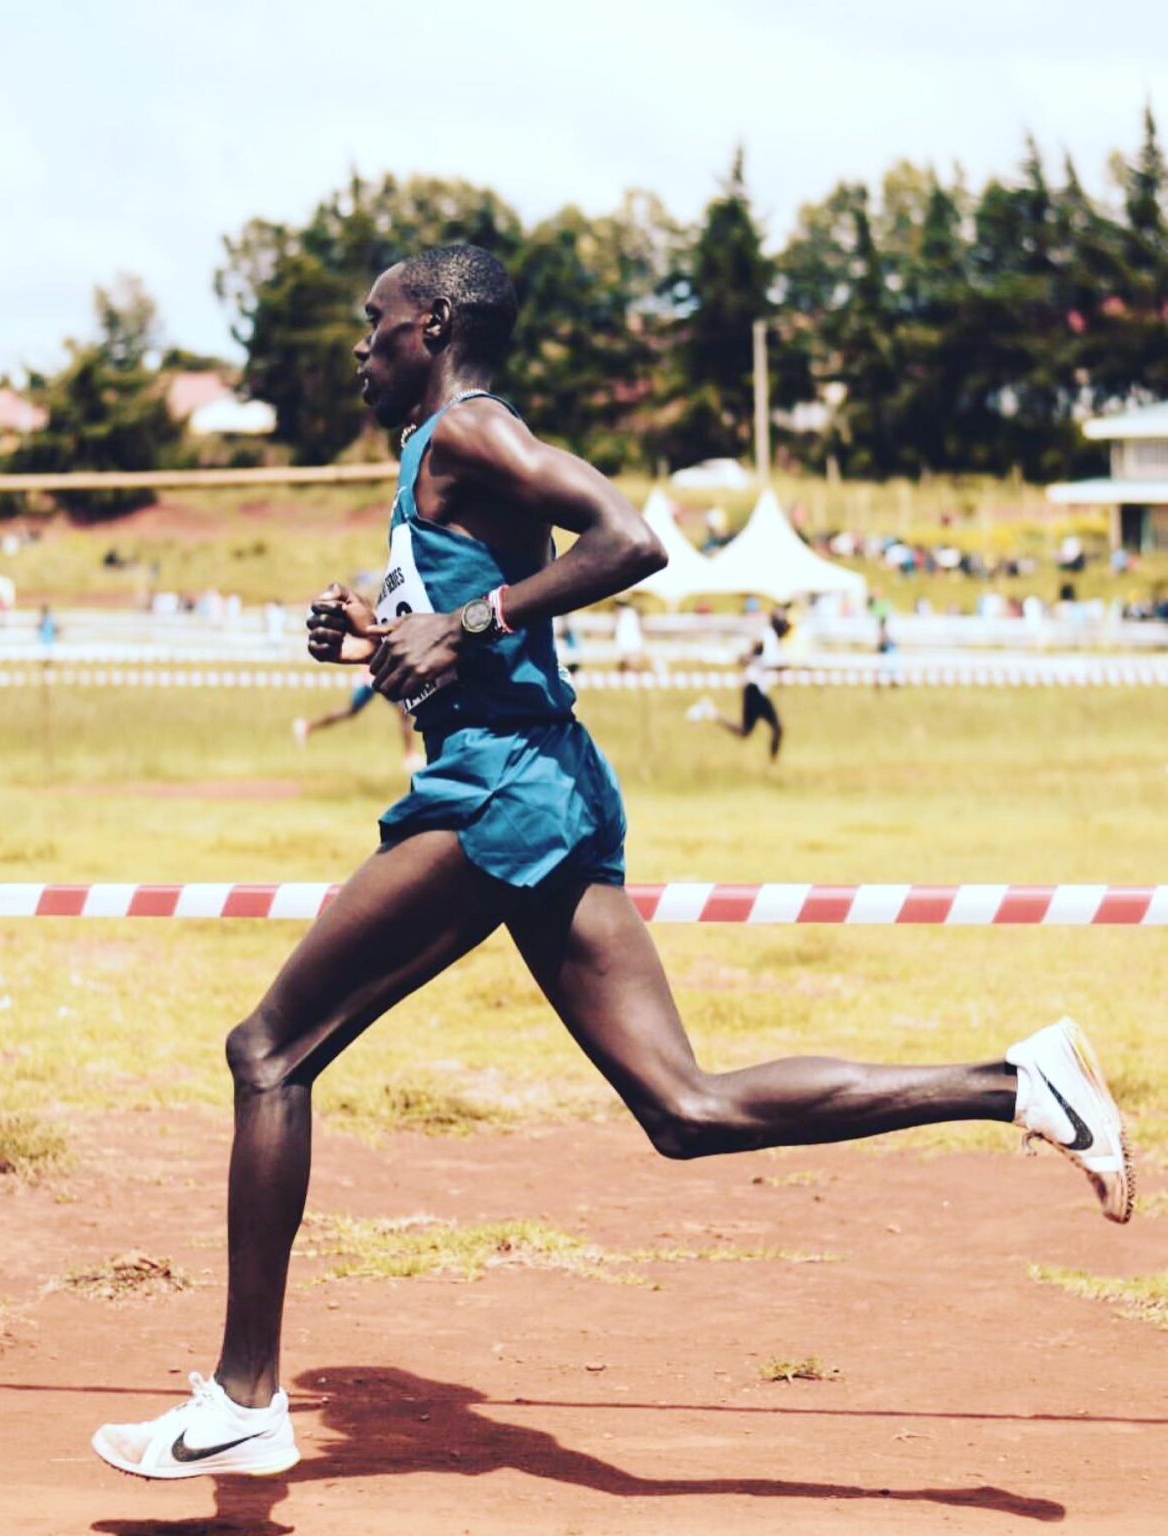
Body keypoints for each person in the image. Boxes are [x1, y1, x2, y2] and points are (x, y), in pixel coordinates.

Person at [93, 244, 1133, 1482]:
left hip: (501, 795)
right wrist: (374, 636)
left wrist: (468, 623)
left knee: (267, 1052)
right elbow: (469, 637)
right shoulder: (439, 456)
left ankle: (245, 1397)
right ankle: (1017, 1083)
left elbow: (631, 541)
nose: (359, 348)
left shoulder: (471, 433)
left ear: (430, 323)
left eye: (373, 325)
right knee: (684, 1110)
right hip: (545, 786)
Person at [686, 608, 785, 759]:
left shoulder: (773, 639)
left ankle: (712, 712)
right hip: (754, 688)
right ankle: (773, 764)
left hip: (756, 688)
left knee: (746, 731)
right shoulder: (767, 636)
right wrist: (752, 658)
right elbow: (752, 653)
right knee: (776, 727)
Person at [293, 667, 421, 773]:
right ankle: (409, 756)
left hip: (377, 677)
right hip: (373, 679)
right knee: (351, 710)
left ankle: (409, 755)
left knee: (402, 711)